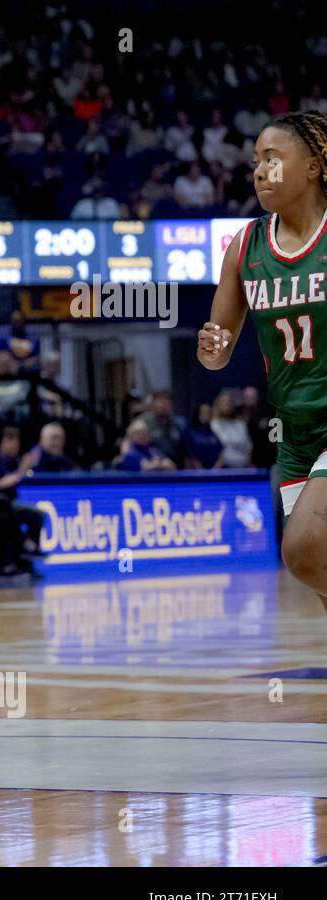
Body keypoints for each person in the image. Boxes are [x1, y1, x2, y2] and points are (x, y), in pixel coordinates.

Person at [200, 110, 327, 610]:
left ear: (315, 166)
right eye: (255, 162)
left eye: (273, 159)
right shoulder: (245, 247)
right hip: (294, 431)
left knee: (299, 551)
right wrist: (212, 350)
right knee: (318, 568)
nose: (259, 171)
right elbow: (218, 349)